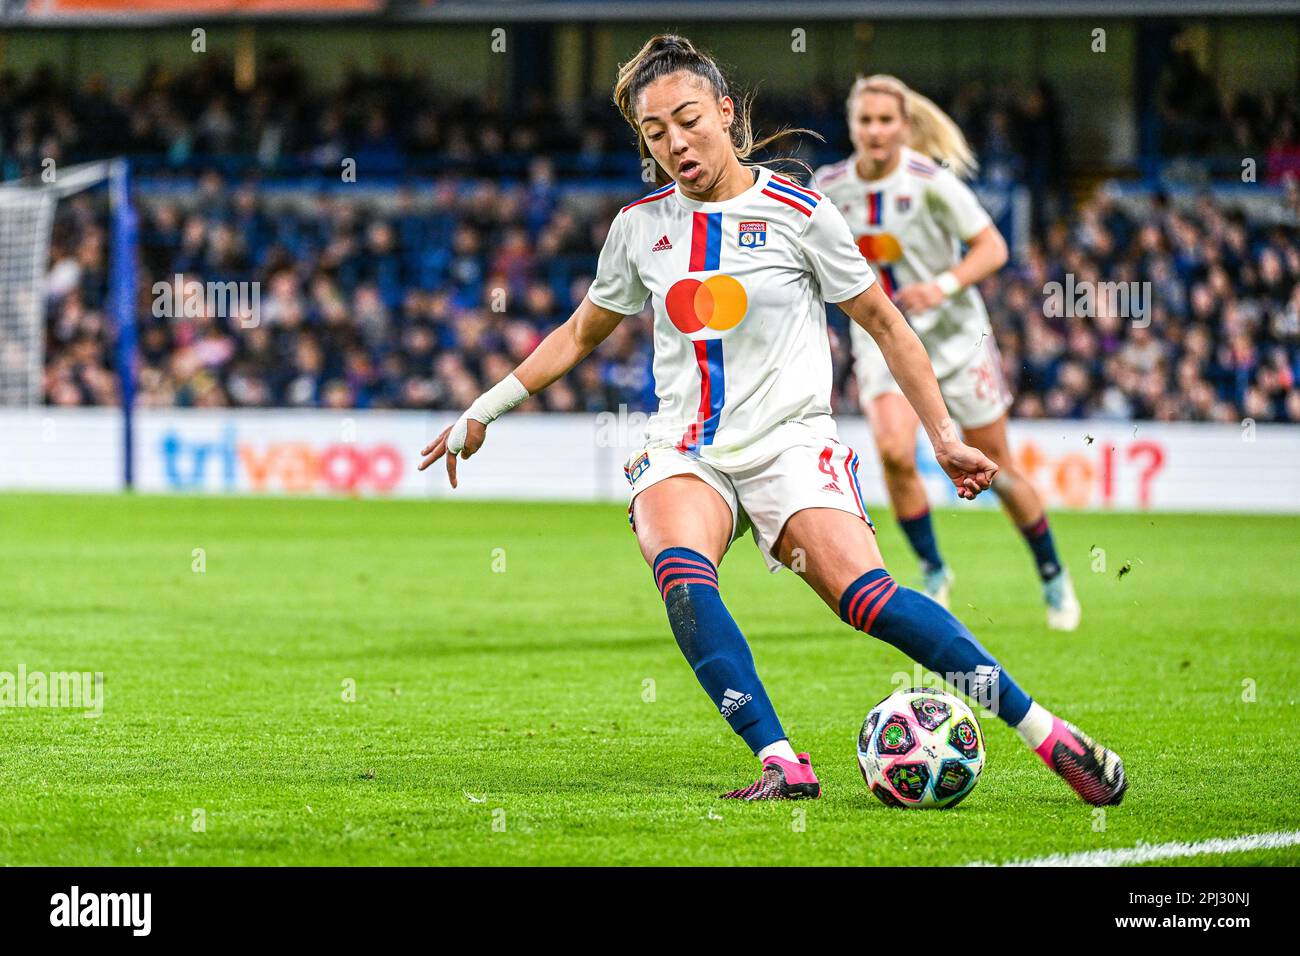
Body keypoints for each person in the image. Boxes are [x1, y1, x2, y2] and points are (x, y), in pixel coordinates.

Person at [419, 36, 1125, 804]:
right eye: (654, 134)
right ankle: (781, 760)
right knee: (683, 574)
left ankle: (1045, 733)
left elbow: (886, 325)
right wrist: (484, 409)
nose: (674, 144)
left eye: (687, 120)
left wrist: (944, 435)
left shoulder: (799, 212)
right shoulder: (639, 227)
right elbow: (581, 332)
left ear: (725, 113)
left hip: (790, 443)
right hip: (686, 448)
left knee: (868, 599)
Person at [815, 75, 1081, 630]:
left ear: (904, 126)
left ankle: (1053, 574)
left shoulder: (931, 182)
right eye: (865, 120)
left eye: (886, 120)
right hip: (884, 340)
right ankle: (935, 571)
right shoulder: (829, 186)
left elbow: (993, 247)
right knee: (891, 452)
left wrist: (941, 285)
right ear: (852, 126)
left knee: (998, 469)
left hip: (957, 343)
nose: (875, 131)